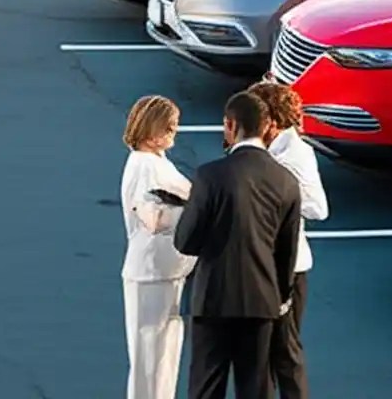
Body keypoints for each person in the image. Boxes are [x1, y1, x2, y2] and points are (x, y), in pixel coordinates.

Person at [174, 92, 302, 399]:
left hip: (213, 300)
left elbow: (185, 241)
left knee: (207, 385)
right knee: (255, 388)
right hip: (262, 302)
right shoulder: (286, 181)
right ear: (266, 127)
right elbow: (287, 252)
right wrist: (281, 297)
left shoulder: (210, 176)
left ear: (230, 125)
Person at [248, 81, 329, 399]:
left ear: (272, 121)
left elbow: (317, 208)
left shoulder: (295, 154)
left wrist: (276, 196)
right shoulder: (266, 148)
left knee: (284, 351)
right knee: (261, 353)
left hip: (287, 269)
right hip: (263, 264)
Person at [119, 95, 195, 399]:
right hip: (152, 272)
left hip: (166, 270)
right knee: (151, 358)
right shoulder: (145, 165)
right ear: (151, 130)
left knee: (163, 356)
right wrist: (193, 214)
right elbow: (151, 216)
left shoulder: (155, 161)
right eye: (169, 126)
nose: (175, 130)